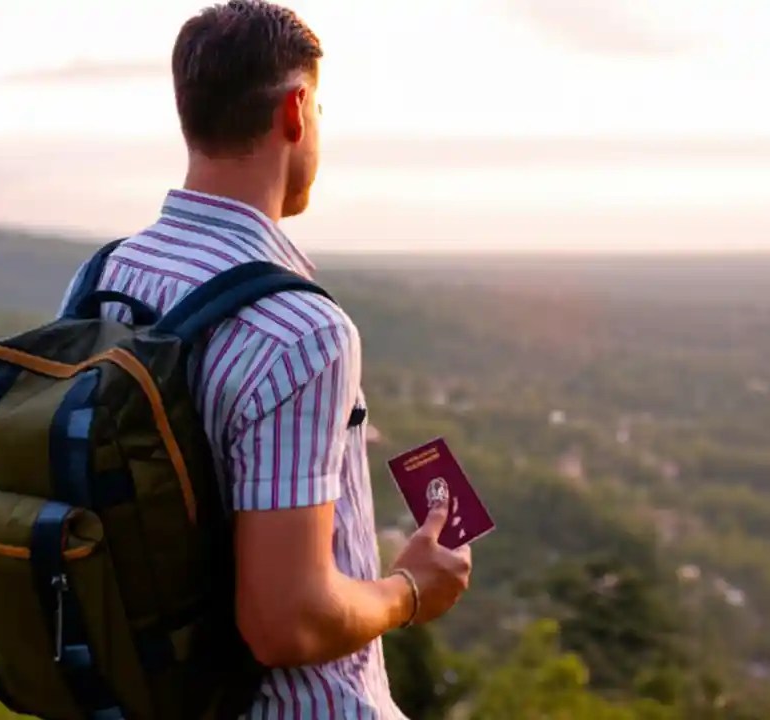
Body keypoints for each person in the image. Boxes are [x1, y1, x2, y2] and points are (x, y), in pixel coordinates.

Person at [57, 2, 473, 716]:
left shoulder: (100, 280)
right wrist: (411, 591)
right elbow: (286, 620)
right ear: (296, 110)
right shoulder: (303, 329)